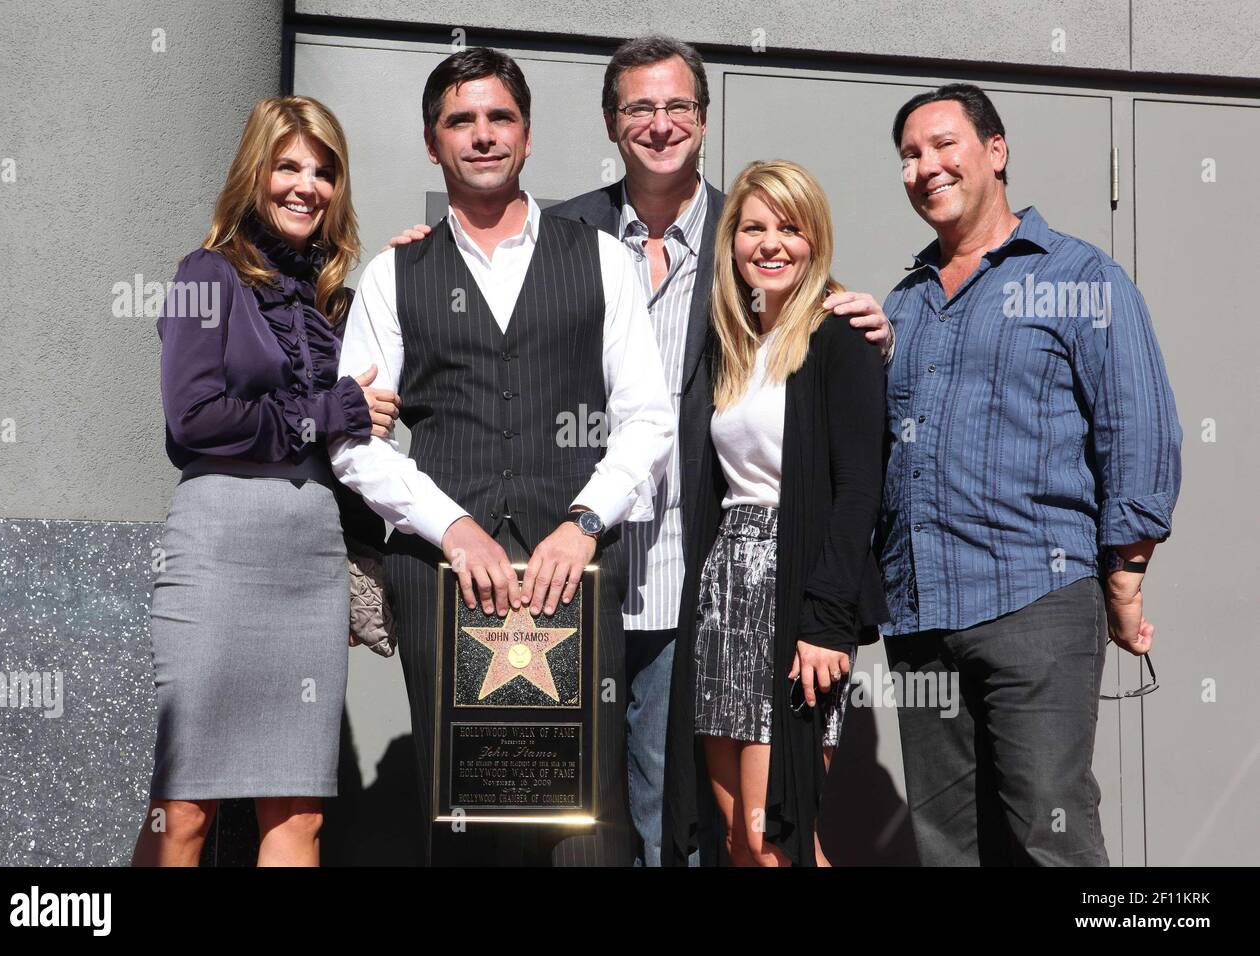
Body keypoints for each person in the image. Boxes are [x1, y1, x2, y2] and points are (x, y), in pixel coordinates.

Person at [329, 47, 674, 866]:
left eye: (499, 118)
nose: (482, 136)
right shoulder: (395, 272)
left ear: (526, 137)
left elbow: (648, 418)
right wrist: (452, 528)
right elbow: (351, 437)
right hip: (444, 579)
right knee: (466, 821)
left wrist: (584, 523)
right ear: (430, 141)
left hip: (575, 574)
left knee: (583, 828)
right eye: (461, 120)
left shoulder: (598, 257)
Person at [871, 83, 1182, 865]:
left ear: (996, 152)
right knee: (947, 847)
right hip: (921, 616)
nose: (925, 167)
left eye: (944, 145)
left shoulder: (1079, 277)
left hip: (1036, 601)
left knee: (1053, 834)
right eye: (910, 155)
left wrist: (1126, 576)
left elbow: (1137, 426)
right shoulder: (903, 303)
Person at [132, 96, 397, 866]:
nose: (306, 186)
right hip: (217, 555)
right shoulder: (203, 275)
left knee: (298, 817)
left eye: (324, 172)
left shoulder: (334, 302)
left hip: (308, 562)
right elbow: (196, 419)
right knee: (183, 812)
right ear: (256, 173)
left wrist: (421, 263)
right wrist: (332, 409)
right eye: (288, 166)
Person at [662, 160, 889, 866]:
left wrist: (825, 621)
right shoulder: (734, 345)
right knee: (738, 842)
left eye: (789, 227)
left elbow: (859, 492)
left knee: (774, 838)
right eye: (754, 226)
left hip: (795, 597)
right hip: (724, 590)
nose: (771, 243)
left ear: (814, 237)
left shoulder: (839, 337)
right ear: (731, 241)